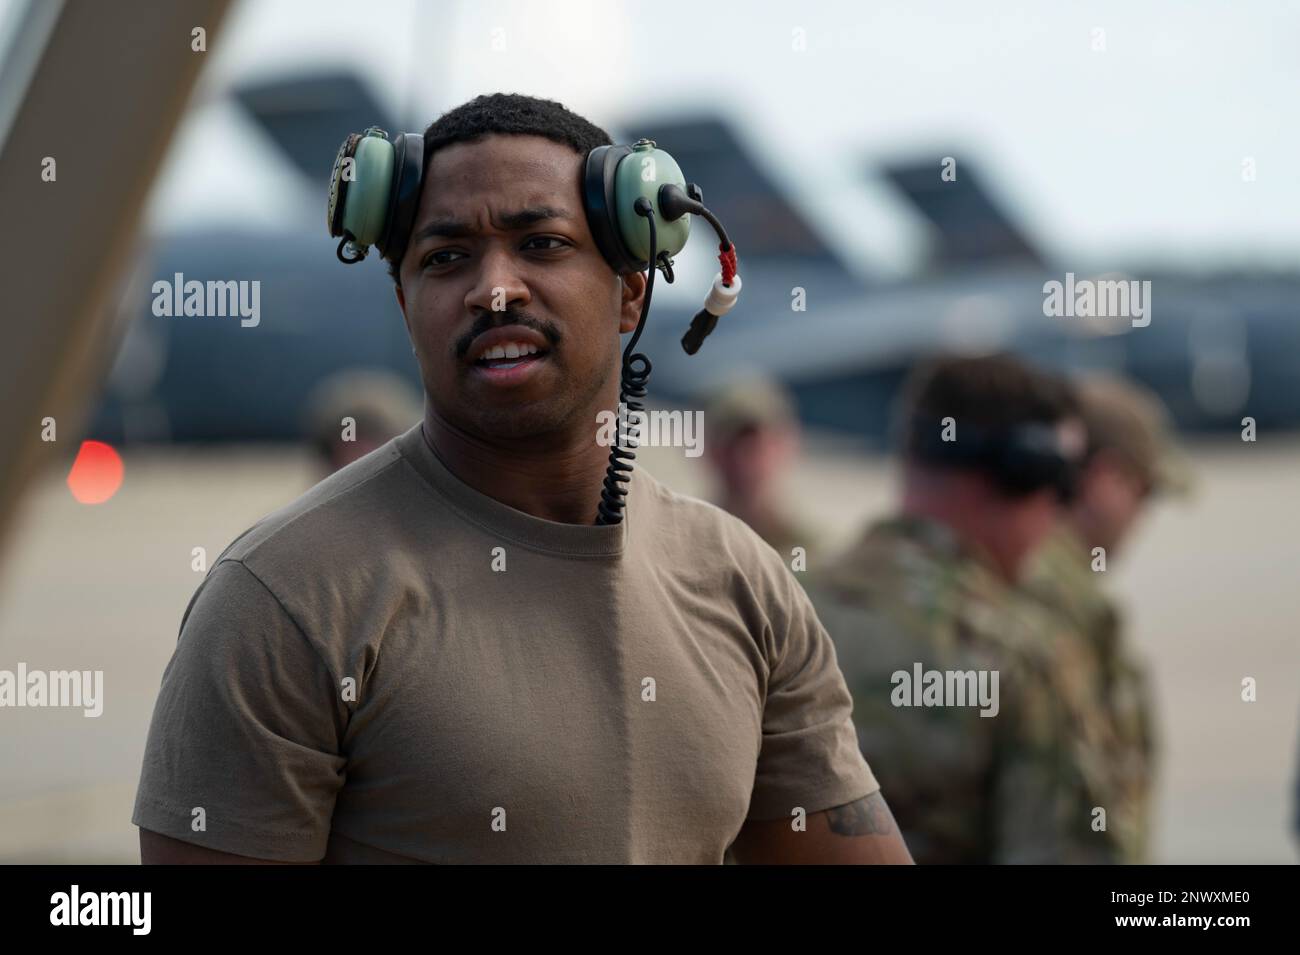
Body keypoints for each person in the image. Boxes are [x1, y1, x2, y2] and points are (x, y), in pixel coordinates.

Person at [131, 93, 911, 865]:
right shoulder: (284, 602)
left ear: (632, 289)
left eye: (540, 244)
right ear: (407, 305)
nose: (494, 289)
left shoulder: (743, 582)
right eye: (445, 258)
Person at [806, 353, 1134, 863]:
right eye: (1060, 490)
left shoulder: (777, 613)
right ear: (1022, 479)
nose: (1057, 519)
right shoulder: (1022, 653)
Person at [1020, 374, 1192, 863]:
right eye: (1146, 492)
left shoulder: (1008, 575)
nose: (1143, 518)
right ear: (1107, 480)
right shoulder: (1064, 606)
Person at [702, 375, 819, 562]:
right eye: (730, 444)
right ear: (710, 449)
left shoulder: (811, 553)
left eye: (756, 446)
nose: (742, 460)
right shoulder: (686, 539)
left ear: (787, 444)